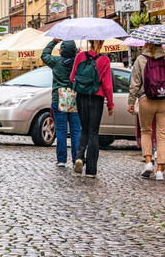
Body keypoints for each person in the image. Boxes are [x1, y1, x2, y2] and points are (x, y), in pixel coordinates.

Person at [128, 42, 165, 181]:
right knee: (162, 134)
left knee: (146, 131)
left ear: (146, 44)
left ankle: (148, 162)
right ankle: (160, 170)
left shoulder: (141, 59)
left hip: (146, 99)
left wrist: (131, 102)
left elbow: (135, 83)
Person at [69, 40, 114, 178]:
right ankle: (91, 170)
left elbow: (72, 78)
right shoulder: (104, 59)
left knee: (84, 129)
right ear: (102, 42)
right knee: (93, 132)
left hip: (81, 96)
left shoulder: (80, 56)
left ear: (89, 41)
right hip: (96, 97)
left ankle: (79, 157)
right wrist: (110, 104)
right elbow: (107, 84)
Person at [41, 38, 81, 167]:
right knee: (75, 131)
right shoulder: (78, 62)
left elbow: (44, 55)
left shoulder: (56, 62)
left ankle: (62, 160)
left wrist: (54, 41)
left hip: (58, 98)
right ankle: (76, 159)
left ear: (60, 51)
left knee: (61, 131)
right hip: (74, 97)